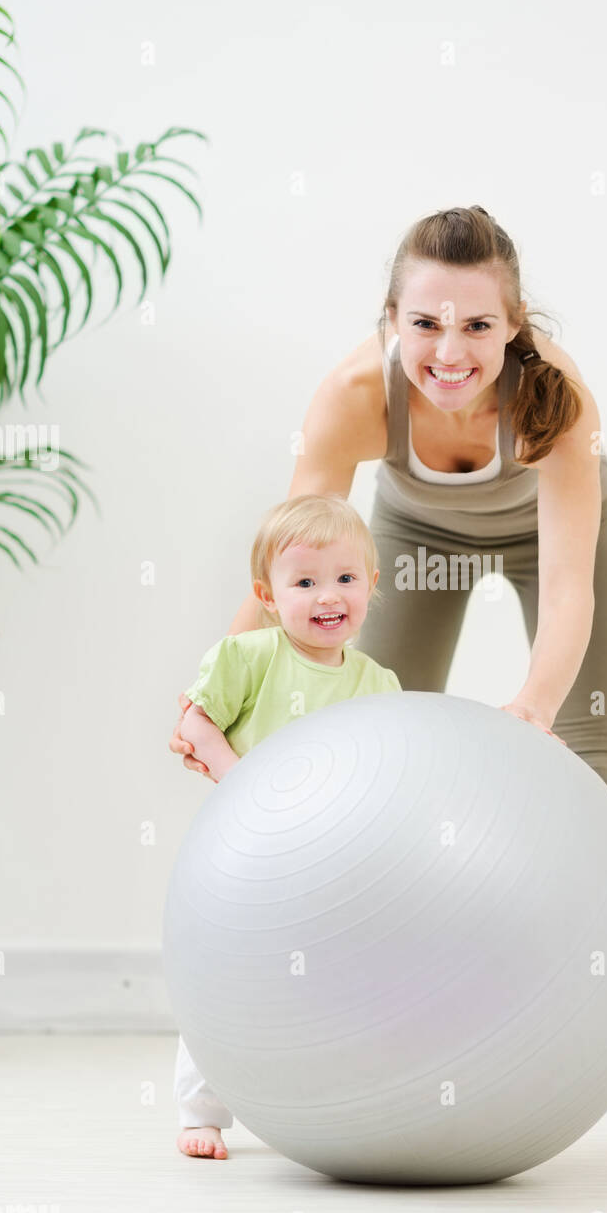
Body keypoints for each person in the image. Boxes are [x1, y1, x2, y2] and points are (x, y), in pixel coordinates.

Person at [171, 204, 607, 1139]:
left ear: (514, 327)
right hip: (415, 536)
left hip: (550, 543)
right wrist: (215, 692)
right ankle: (372, 1006)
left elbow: (572, 591)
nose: (448, 350)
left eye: (475, 325)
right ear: (390, 322)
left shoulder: (557, 397)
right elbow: (289, 567)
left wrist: (535, 708)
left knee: (586, 749)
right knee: (357, 745)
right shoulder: (352, 394)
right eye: (424, 323)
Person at [174, 494, 402, 1159]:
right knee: (228, 982)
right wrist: (237, 775)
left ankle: (331, 1106)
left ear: (371, 585)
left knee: (331, 987)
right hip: (247, 856)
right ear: (267, 596)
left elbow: (387, 764)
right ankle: (201, 1111)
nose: (326, 596)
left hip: (330, 864)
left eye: (344, 579)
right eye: (303, 582)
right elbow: (193, 721)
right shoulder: (247, 657)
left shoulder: (376, 681)